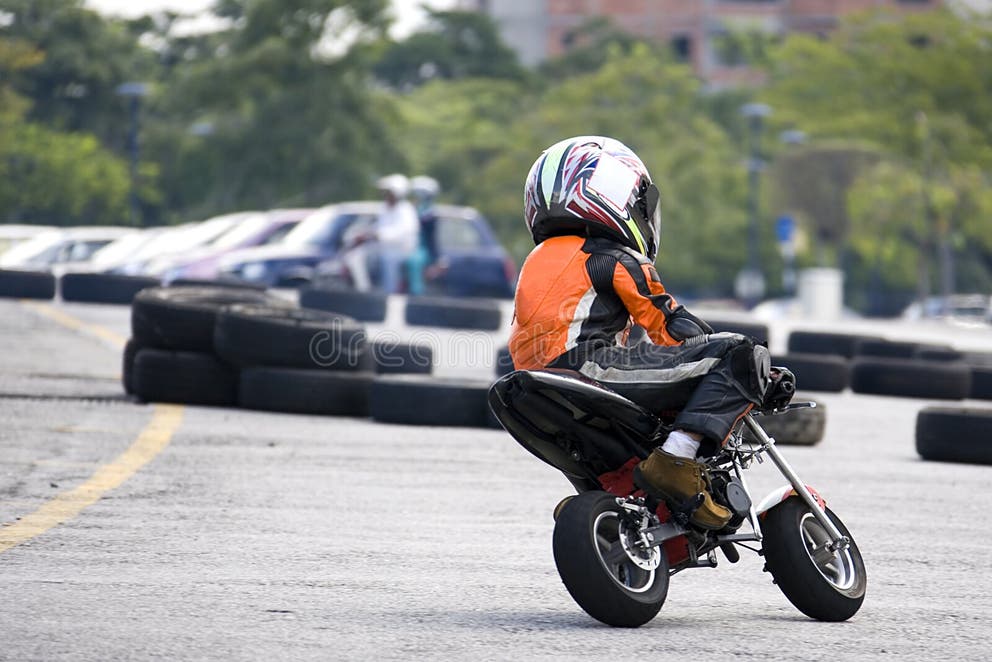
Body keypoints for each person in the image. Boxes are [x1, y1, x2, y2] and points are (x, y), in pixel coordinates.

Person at [507, 136, 775, 530]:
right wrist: (751, 372)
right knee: (738, 353)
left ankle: (612, 509)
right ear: (615, 193)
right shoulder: (610, 255)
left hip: (527, 387)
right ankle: (678, 460)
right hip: (588, 368)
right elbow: (670, 326)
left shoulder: (538, 259)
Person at [344, 174, 420, 294]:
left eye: (389, 192)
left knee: (389, 261)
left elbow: (401, 233)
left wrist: (378, 235)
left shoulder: (406, 210)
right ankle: (363, 290)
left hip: (401, 251)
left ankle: (390, 294)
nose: (386, 196)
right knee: (356, 256)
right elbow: (378, 227)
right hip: (383, 248)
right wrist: (365, 234)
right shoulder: (385, 209)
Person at [407, 175, 441, 296]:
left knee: (414, 262)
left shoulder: (429, 216)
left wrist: (436, 260)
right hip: (407, 246)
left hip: (421, 249)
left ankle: (416, 294)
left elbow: (432, 241)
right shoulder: (409, 212)